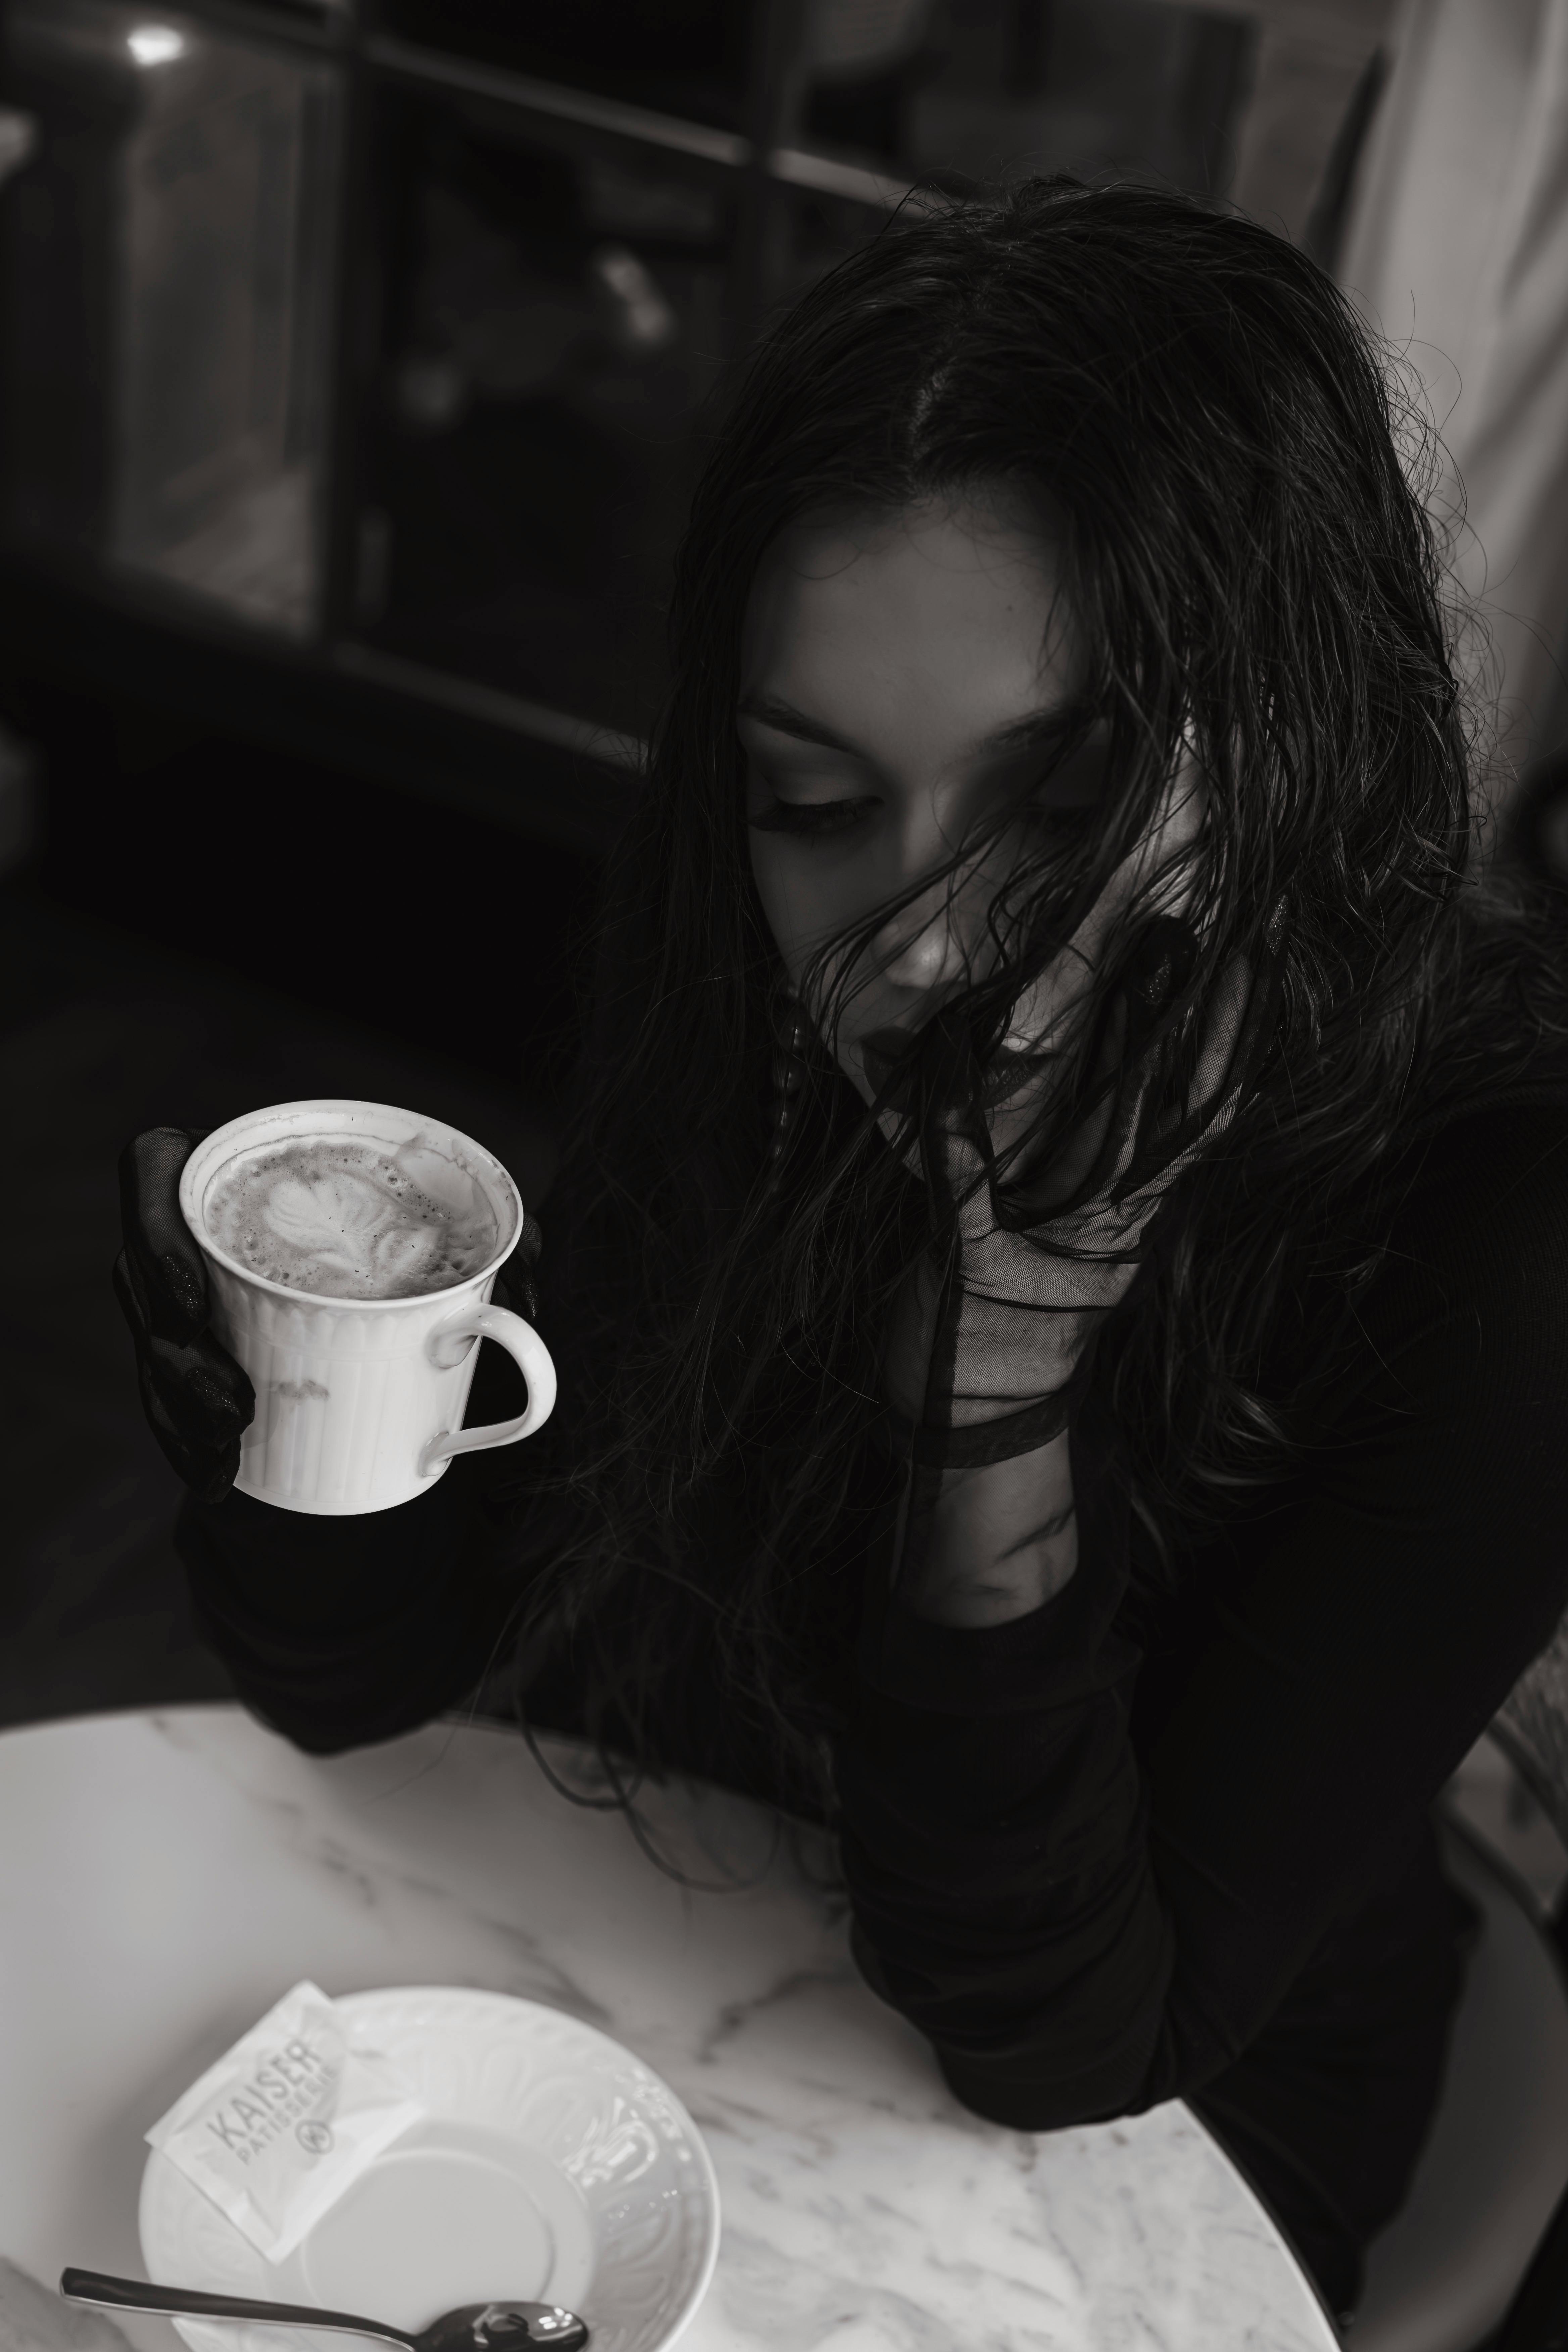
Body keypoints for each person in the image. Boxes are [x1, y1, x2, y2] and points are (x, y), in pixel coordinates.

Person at [115, 179, 1568, 2322]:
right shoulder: (765, 1034)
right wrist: (313, 1391)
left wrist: (997, 1395)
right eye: (813, 801)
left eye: (1058, 802)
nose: (926, 943)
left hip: (1157, 2124)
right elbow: (368, 1681)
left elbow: (1071, 2049)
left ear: (1296, 730)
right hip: (687, 1948)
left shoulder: (1493, 1215)